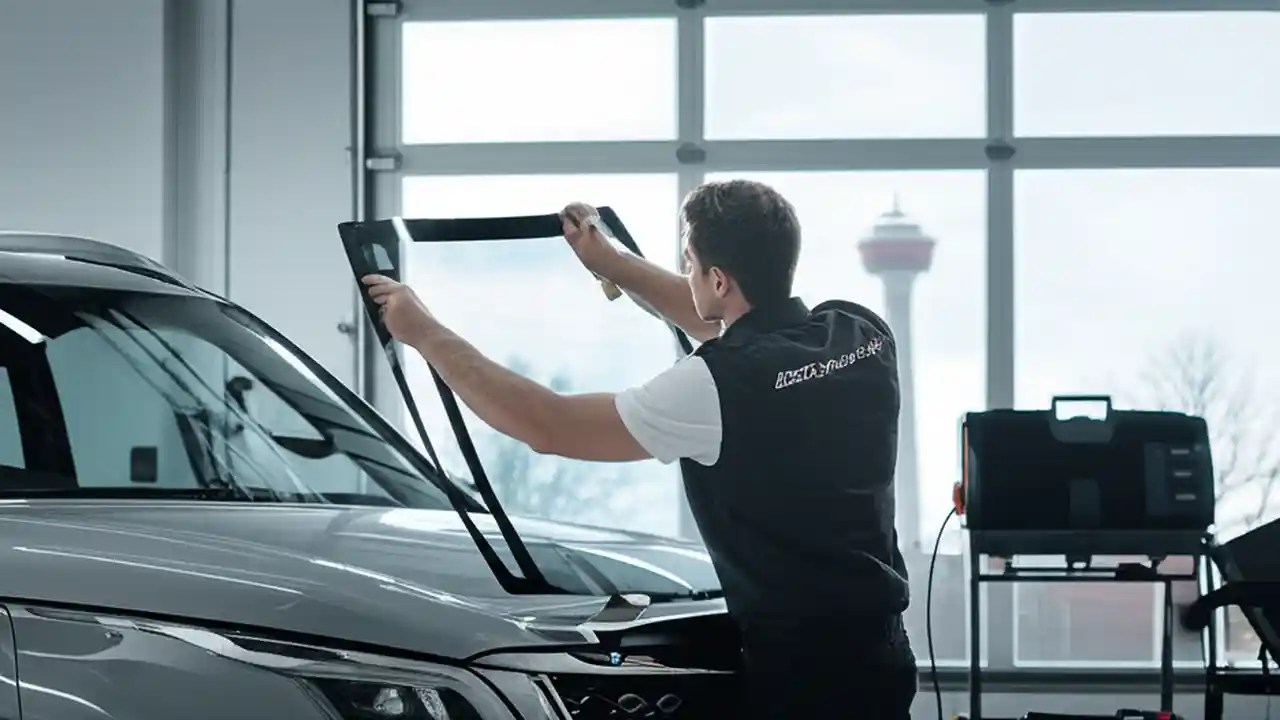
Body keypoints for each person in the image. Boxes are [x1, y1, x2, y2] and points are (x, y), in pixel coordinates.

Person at [362, 179, 917, 718]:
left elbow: (546, 423)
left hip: (802, 676)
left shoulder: (717, 384)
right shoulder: (860, 332)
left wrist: (424, 333)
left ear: (718, 279)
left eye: (691, 264)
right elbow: (741, 327)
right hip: (882, 655)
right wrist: (612, 262)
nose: (687, 275)